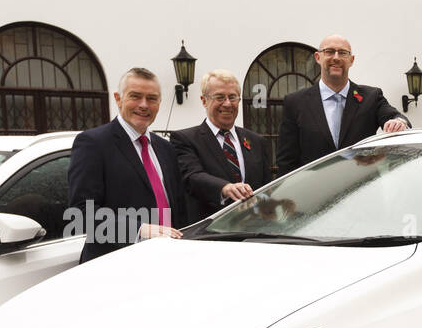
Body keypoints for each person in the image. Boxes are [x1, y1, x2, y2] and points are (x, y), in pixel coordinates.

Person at [67, 67, 187, 263]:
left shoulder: (165, 148)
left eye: (152, 98)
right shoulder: (93, 143)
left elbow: (179, 209)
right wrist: (140, 230)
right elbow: (82, 213)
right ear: (118, 98)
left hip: (167, 259)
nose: (143, 105)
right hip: (115, 265)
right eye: (135, 96)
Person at [276, 35, 409, 173]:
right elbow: (287, 162)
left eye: (343, 53)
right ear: (317, 57)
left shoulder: (371, 97)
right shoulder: (296, 102)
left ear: (351, 60)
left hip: (362, 188)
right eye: (329, 51)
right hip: (315, 191)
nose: (336, 57)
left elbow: (396, 117)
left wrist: (398, 122)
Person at [170, 69, 272, 221]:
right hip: (210, 234)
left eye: (233, 97)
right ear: (204, 100)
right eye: (219, 97)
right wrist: (225, 188)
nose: (227, 104)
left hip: (254, 232)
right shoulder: (185, 139)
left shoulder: (256, 141)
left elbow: (266, 188)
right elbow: (192, 177)